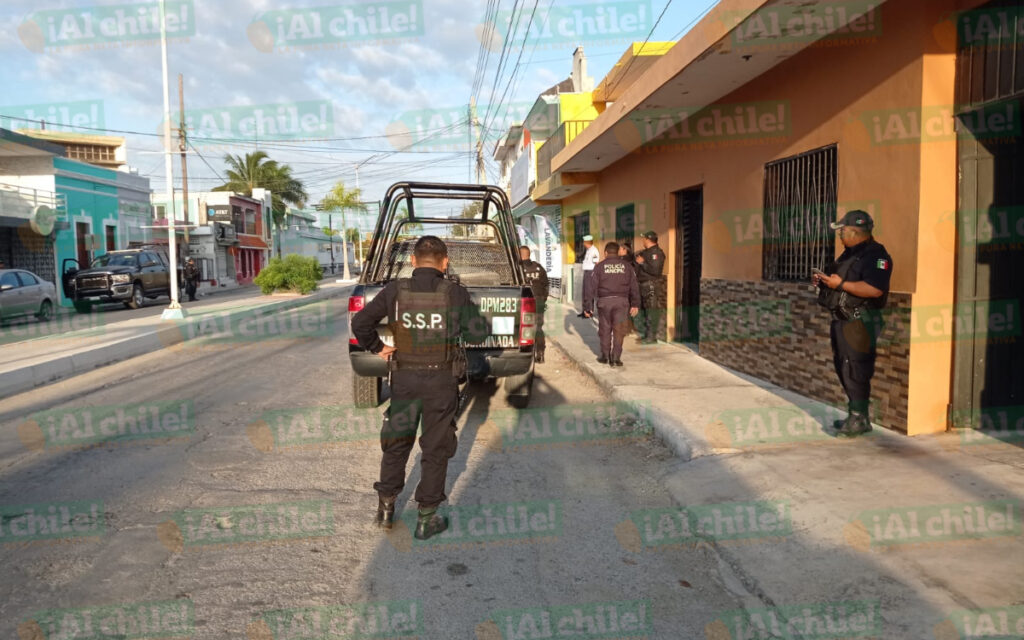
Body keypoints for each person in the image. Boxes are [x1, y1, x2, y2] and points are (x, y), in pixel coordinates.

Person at [351, 236, 487, 540]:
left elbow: (361, 323)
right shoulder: (455, 293)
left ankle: (386, 508)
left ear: (413, 261)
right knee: (436, 449)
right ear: (445, 261)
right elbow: (480, 331)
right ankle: (426, 519)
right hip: (441, 381)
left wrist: (379, 347)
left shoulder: (395, 290)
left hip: (404, 379)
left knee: (397, 442)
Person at [813, 210, 892, 438]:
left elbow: (874, 289)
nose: (840, 234)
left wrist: (840, 284)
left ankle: (859, 418)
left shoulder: (877, 257)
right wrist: (824, 282)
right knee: (843, 366)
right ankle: (857, 415)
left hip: (860, 321)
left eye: (843, 230)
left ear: (855, 231)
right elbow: (839, 283)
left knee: (856, 368)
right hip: (842, 320)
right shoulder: (847, 256)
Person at [584, 242, 640, 367]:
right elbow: (634, 286)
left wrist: (588, 307)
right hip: (622, 302)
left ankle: (605, 356)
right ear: (619, 252)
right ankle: (616, 358)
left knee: (605, 329)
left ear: (605, 253)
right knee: (619, 330)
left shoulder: (599, 267)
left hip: (605, 302)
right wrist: (635, 304)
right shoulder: (627, 266)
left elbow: (590, 288)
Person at [634, 231, 667, 344]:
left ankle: (652, 337)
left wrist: (642, 263)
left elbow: (655, 271)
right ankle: (647, 334)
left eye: (644, 238)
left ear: (648, 239)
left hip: (651, 284)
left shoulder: (656, 253)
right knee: (645, 310)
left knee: (651, 310)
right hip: (643, 284)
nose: (642, 240)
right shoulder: (645, 252)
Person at [519, 246, 549, 364]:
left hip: (525, 302)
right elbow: (546, 284)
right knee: (538, 328)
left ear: (520, 255)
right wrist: (543, 299)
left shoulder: (518, 268)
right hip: (539, 300)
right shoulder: (538, 267)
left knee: (523, 327)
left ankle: (525, 353)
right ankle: (540, 354)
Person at [578, 234, 600, 318]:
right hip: (586, 272)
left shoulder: (594, 250)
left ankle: (589, 311)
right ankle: (584, 311)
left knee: (589, 293)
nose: (583, 243)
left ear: (587, 242)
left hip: (591, 273)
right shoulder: (588, 250)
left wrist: (594, 274)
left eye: (584, 242)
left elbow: (596, 263)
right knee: (584, 293)